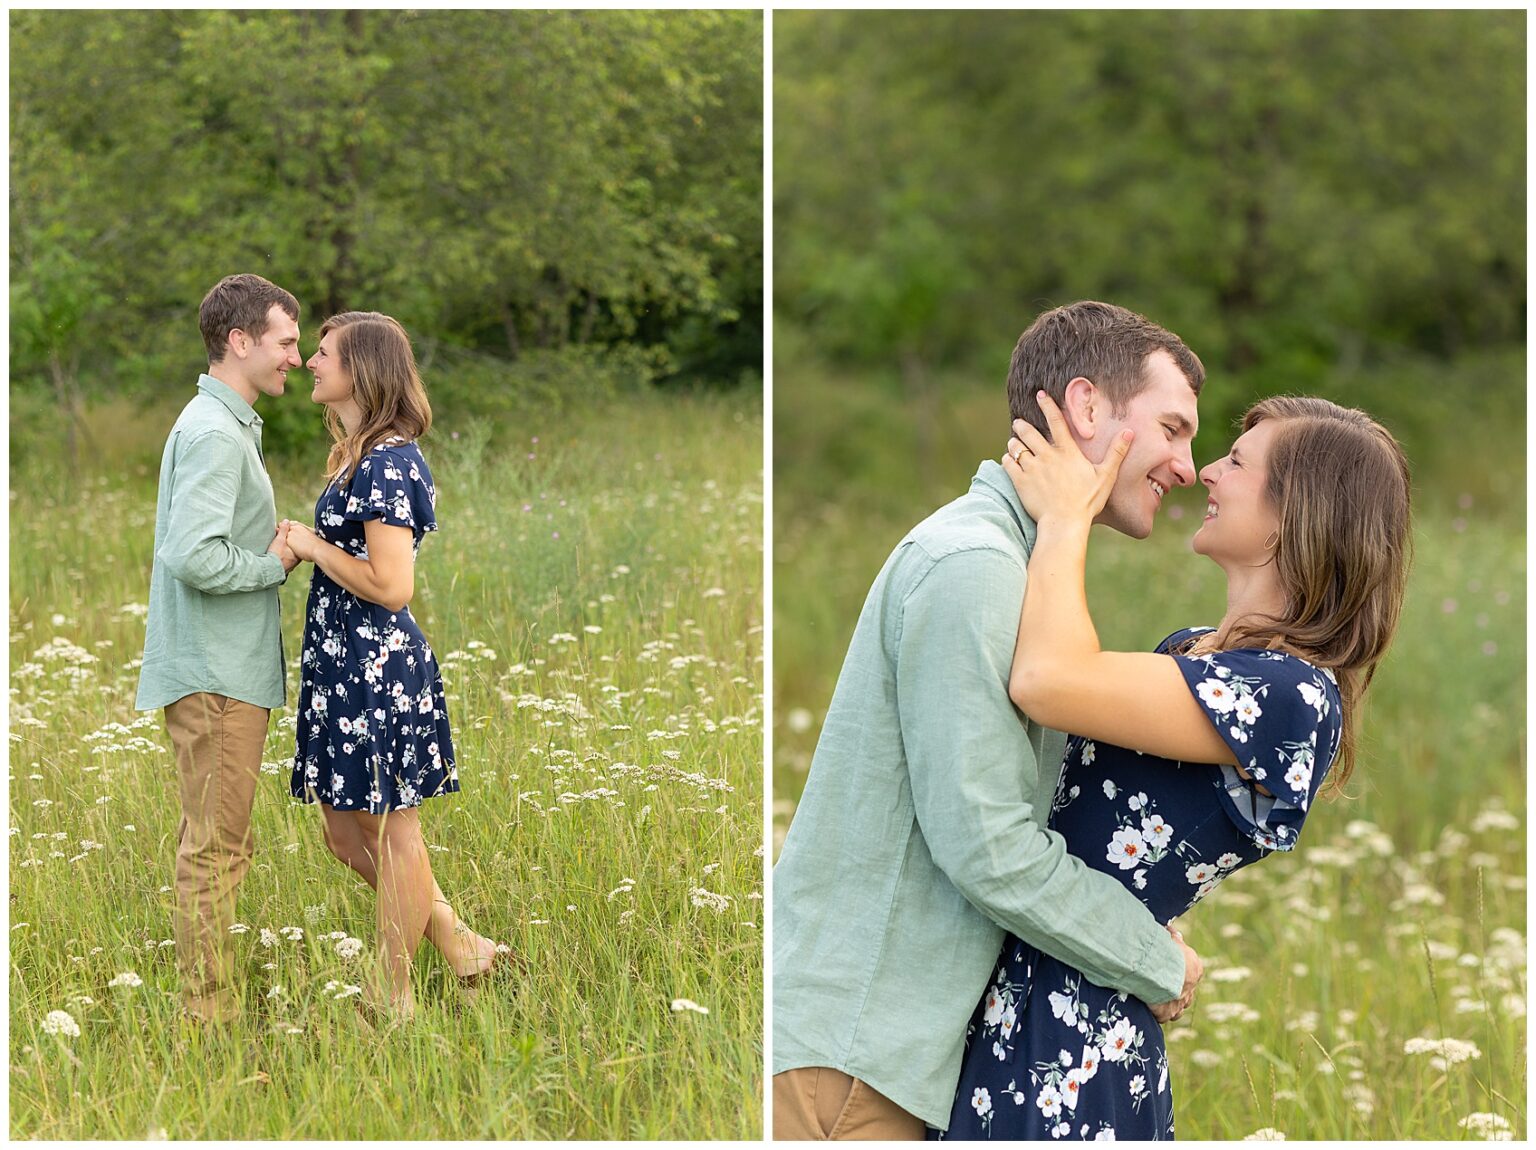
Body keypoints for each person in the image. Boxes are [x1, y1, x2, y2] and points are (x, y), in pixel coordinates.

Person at [772, 302, 1208, 1139]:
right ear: (1086, 408)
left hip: (890, 1059)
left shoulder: (1019, 561)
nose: (1187, 465)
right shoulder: (974, 567)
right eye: (1173, 428)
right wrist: (1156, 959)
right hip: (852, 1065)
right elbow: (988, 844)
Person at [935, 392, 1411, 1139]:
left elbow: (1046, 680)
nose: (1208, 472)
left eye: (1238, 462)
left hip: (1072, 1036)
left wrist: (1065, 519)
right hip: (1030, 979)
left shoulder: (1291, 696)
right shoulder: (1194, 650)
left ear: (1296, 515)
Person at [281, 311, 503, 1018]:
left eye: (323, 353)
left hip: (378, 667)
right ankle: (457, 940)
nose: (310, 362)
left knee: (396, 831)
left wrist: (314, 547)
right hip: (343, 664)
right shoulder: (357, 455)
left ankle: (393, 992)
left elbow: (392, 584)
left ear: (363, 368)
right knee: (343, 833)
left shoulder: (390, 462)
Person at [136, 273, 304, 1024]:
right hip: (216, 677)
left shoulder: (223, 425)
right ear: (240, 342)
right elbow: (192, 554)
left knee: (215, 844)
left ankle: (209, 1011)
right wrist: (274, 565)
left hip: (221, 673)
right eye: (286, 341)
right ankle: (208, 1021)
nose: (295, 358)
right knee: (216, 852)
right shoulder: (212, 432)